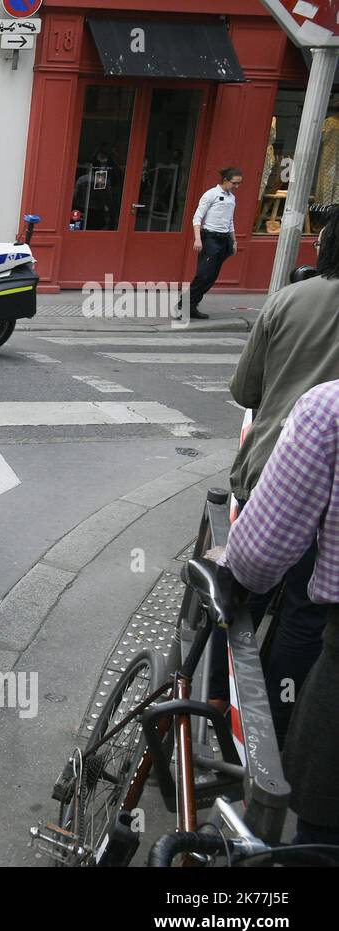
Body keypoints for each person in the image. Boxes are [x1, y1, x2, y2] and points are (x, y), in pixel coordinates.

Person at [211, 219, 339, 742]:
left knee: (240, 595)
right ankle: (278, 729)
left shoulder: (291, 300)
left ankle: (216, 706)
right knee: (306, 617)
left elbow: (245, 389)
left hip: (273, 471)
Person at [219, 378, 339, 846]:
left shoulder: (328, 410)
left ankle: (271, 730)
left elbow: (259, 555)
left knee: (322, 835)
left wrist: (236, 573)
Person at [185, 167, 244, 319]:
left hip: (224, 239)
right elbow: (197, 217)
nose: (237, 187)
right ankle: (184, 304)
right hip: (210, 237)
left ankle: (192, 305)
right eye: (234, 183)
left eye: (239, 184)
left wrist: (234, 240)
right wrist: (198, 238)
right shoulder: (211, 194)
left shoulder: (232, 198)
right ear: (225, 180)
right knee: (204, 274)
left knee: (212, 276)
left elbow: (230, 221)